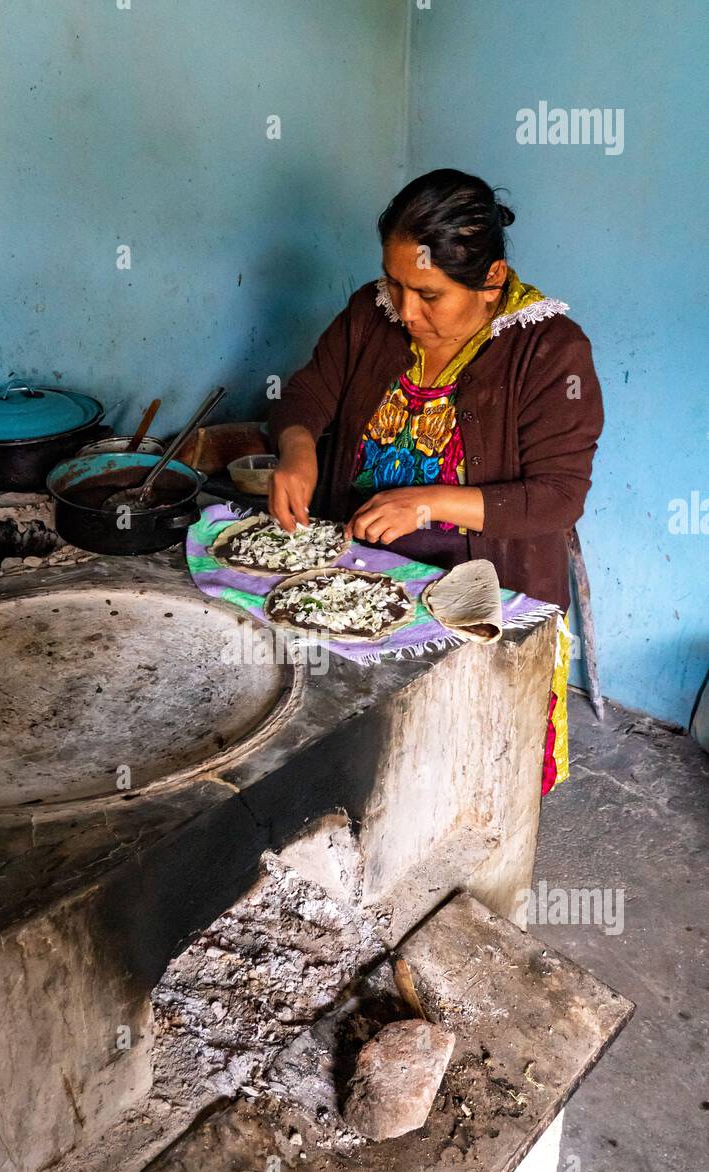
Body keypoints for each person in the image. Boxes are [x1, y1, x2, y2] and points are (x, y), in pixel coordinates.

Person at [267, 168, 604, 792]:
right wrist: (297, 449)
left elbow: (558, 499)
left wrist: (427, 503)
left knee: (471, 767)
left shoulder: (549, 350)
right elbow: (306, 394)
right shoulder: (372, 316)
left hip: (479, 593)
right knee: (364, 757)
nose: (405, 310)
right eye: (394, 285)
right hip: (362, 573)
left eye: (429, 294)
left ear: (491, 281)